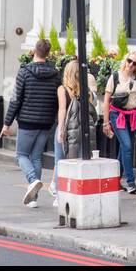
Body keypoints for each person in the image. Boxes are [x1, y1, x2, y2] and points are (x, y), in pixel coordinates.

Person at [1, 37, 59, 206]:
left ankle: (33, 180)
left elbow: (15, 100)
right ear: (48, 53)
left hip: (27, 121)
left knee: (21, 155)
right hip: (46, 122)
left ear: (34, 51)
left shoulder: (25, 72)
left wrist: (7, 123)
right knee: (36, 158)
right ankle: (33, 198)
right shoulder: (55, 74)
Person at [102, 51, 136, 193]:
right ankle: (131, 182)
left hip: (133, 116)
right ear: (125, 60)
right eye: (129, 61)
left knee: (124, 148)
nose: (131, 65)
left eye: (135, 63)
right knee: (127, 146)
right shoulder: (115, 76)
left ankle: (115, 181)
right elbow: (106, 100)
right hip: (117, 115)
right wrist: (105, 122)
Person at [53, 60, 98, 201]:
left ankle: (59, 194)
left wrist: (60, 130)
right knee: (79, 161)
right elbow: (91, 110)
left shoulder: (62, 90)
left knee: (60, 162)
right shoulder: (87, 91)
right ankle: (76, 193)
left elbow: (62, 110)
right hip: (82, 129)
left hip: (67, 129)